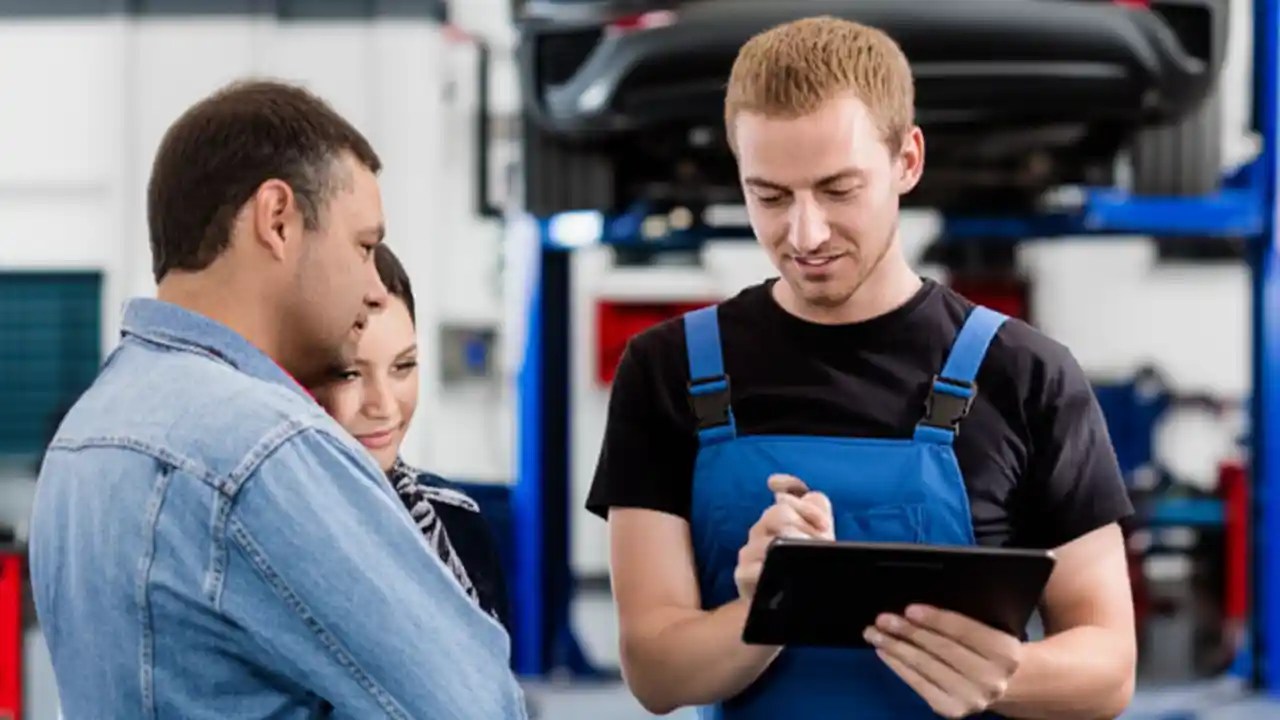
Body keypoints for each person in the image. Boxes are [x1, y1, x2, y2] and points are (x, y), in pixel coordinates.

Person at [586, 16, 1137, 720]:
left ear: (907, 160)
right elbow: (656, 673)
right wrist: (769, 605)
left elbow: (1109, 665)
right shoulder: (667, 371)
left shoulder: (1027, 376)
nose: (804, 234)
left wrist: (1009, 672)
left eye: (838, 190)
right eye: (771, 196)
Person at [27, 79, 527, 719]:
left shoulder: (87, 433)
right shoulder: (259, 445)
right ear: (278, 220)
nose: (376, 288)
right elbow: (475, 708)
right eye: (365, 247)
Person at [312, 243, 510, 629]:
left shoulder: (455, 520)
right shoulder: (263, 527)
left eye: (403, 367)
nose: (384, 405)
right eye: (350, 374)